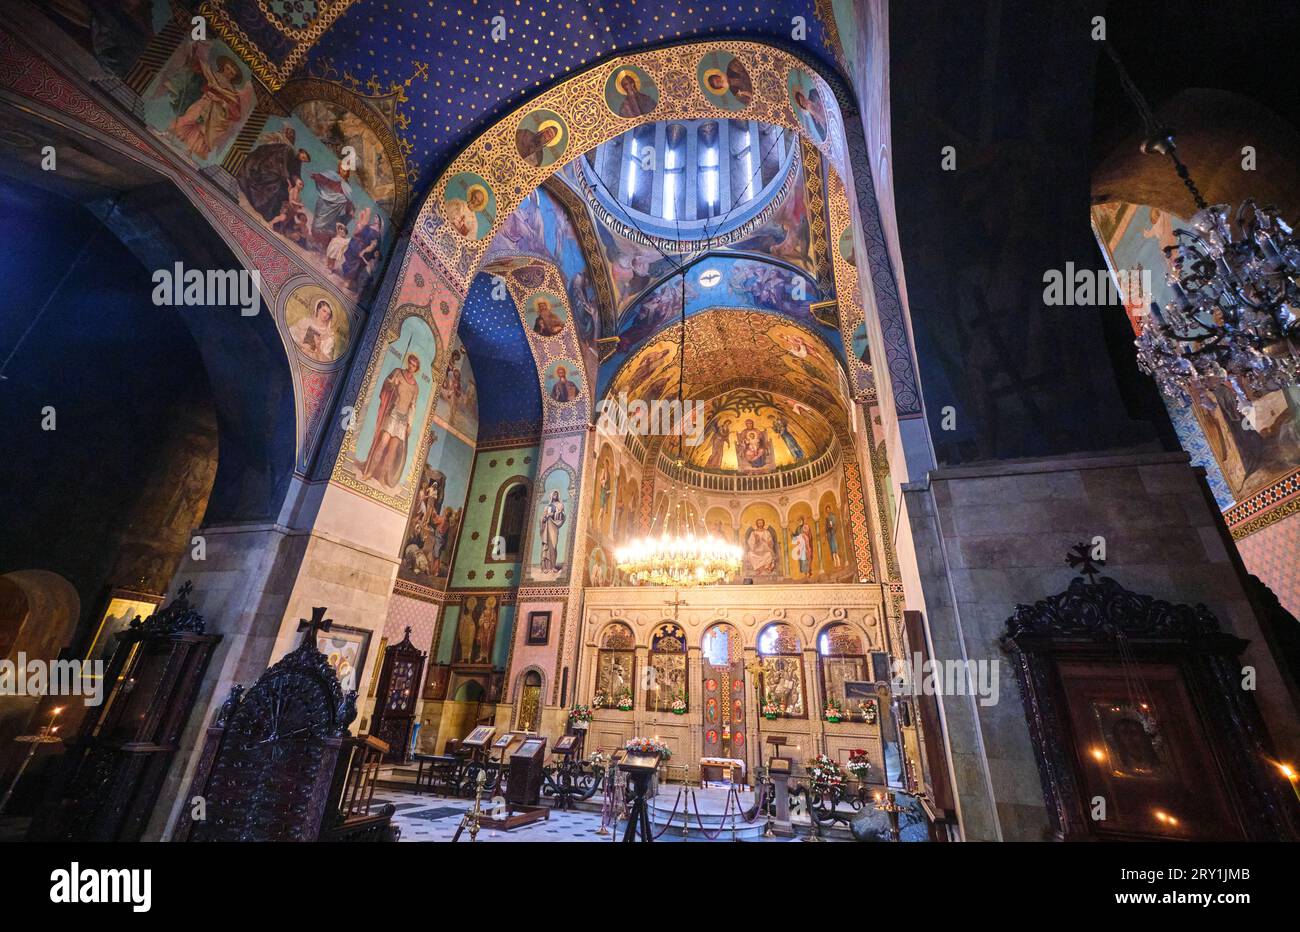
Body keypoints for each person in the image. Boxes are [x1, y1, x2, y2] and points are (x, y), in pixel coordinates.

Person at [359, 353, 421, 488]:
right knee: (382, 443)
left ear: (417, 369)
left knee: (392, 451)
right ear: (408, 363)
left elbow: (413, 406)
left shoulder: (415, 387)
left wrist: (410, 423)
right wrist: (393, 382)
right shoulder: (398, 372)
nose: (411, 367)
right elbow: (387, 385)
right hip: (393, 414)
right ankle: (369, 472)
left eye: (414, 366)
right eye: (410, 364)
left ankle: (382, 477)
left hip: (403, 420)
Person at [289, 297, 338, 362]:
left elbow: (327, 361)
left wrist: (318, 348)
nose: (325, 315)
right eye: (324, 311)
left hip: (310, 363)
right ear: (318, 309)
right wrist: (301, 344)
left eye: (328, 314)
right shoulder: (305, 322)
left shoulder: (329, 336)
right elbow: (290, 333)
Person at [539, 490, 566, 572]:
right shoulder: (547, 507)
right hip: (547, 527)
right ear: (551, 496)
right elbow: (542, 519)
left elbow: (563, 516)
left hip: (554, 527)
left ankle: (553, 566)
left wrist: (556, 514)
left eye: (556, 494)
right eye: (554, 494)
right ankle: (545, 567)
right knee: (546, 546)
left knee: (553, 546)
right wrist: (546, 516)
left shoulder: (560, 505)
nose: (555, 495)